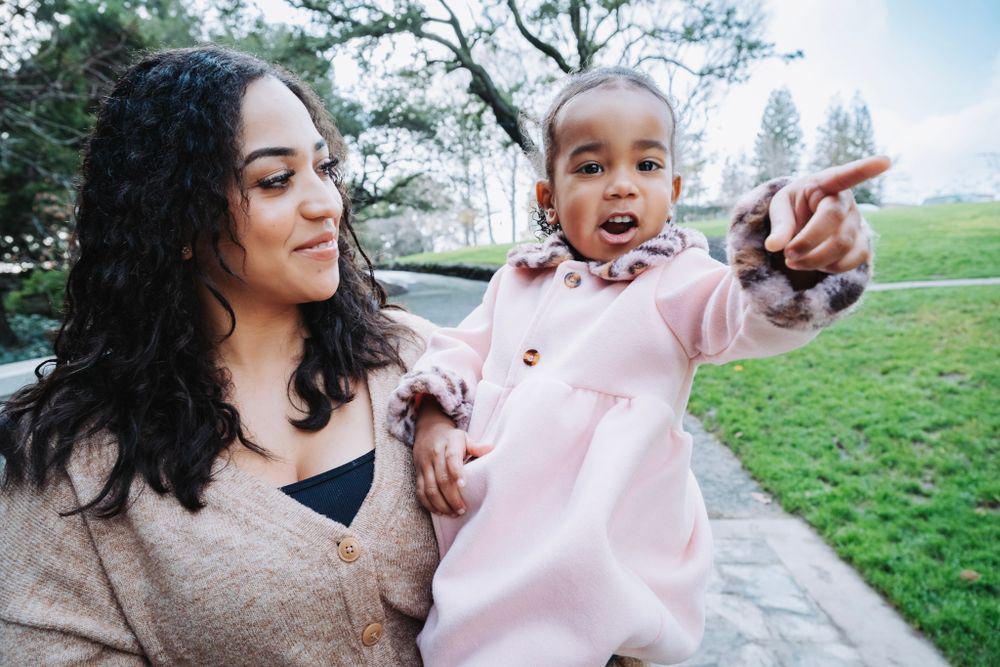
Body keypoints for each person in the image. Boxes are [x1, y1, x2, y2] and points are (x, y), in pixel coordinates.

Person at [387, 66, 890, 665]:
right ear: (548, 196)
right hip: (486, 555)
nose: (622, 186)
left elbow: (744, 315)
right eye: (592, 167)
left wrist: (796, 262)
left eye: (646, 166)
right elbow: (459, 349)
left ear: (673, 189)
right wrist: (436, 417)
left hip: (592, 574)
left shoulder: (675, 283)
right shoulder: (515, 280)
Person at [0, 46, 439, 665]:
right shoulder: (76, 463)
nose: (325, 204)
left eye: (325, 169)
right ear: (174, 219)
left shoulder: (420, 361)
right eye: (276, 180)